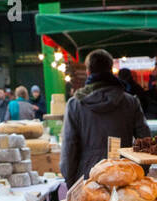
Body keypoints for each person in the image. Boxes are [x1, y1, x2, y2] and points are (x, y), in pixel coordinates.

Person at [60, 49, 150, 185]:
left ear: (88, 72)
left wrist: (71, 181)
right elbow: (146, 140)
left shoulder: (75, 104)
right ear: (111, 69)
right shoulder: (130, 102)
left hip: (88, 178)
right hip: (123, 178)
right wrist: (138, 173)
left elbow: (69, 148)